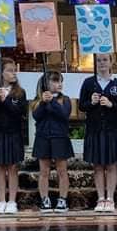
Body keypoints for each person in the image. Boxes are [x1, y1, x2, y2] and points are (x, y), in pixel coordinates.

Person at [79, 52, 117, 213]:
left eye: (105, 60)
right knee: (98, 165)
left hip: (112, 130)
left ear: (111, 62)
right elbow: (81, 106)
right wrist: (91, 102)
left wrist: (111, 104)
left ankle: (110, 199)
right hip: (95, 130)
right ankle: (101, 198)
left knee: (112, 164)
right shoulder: (89, 83)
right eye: (99, 60)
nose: (102, 63)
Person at [0, 58, 27, 214]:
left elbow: (20, 113)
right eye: (9, 70)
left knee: (13, 167)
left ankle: (12, 201)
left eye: (14, 70)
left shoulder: (19, 93)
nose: (13, 73)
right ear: (1, 73)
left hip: (13, 133)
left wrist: (6, 100)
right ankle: (1, 200)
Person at [31, 71, 73, 213]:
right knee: (44, 171)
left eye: (60, 81)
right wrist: (44, 102)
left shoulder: (65, 99)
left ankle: (62, 199)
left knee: (62, 170)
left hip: (59, 138)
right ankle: (45, 199)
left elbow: (64, 114)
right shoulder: (38, 101)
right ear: (45, 84)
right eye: (55, 81)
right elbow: (36, 116)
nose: (59, 84)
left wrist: (53, 101)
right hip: (43, 138)